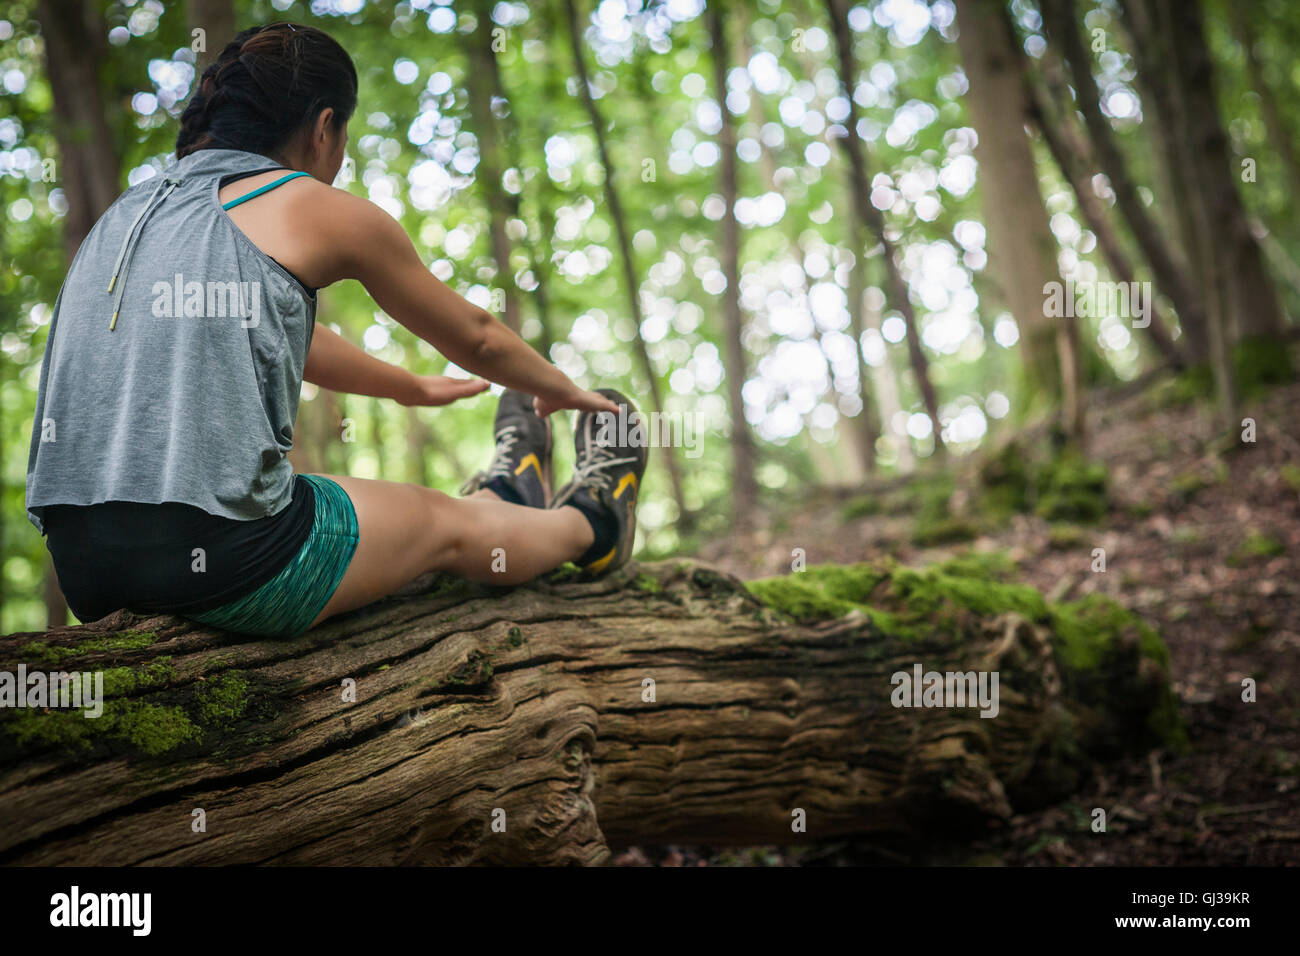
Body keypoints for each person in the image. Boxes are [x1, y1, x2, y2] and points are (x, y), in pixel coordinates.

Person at [24, 22, 648, 639]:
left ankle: (508, 493)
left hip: (88, 577)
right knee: (439, 523)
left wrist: (407, 387)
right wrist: (565, 392)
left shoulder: (130, 214)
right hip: (237, 563)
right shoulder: (300, 199)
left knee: (382, 505)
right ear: (324, 127)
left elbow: (265, 330)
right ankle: (594, 524)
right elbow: (477, 336)